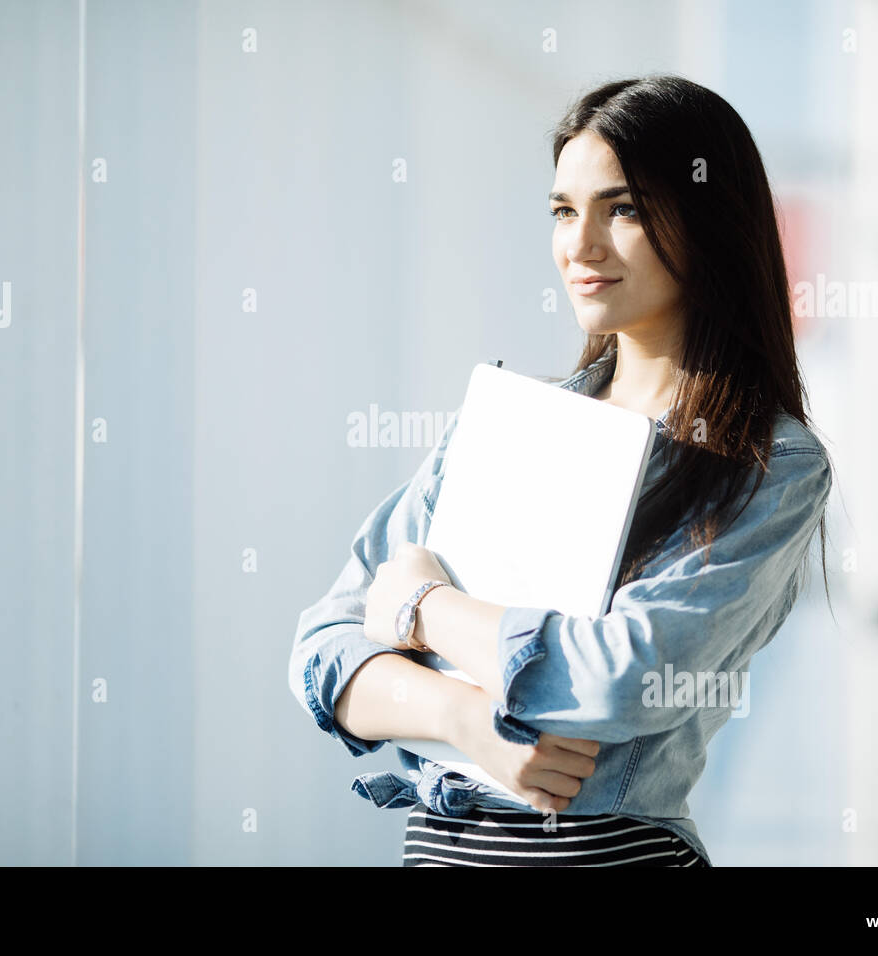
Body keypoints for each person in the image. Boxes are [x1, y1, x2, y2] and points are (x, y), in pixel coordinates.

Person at [288, 74, 835, 867]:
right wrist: (461, 719)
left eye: (623, 210)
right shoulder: (505, 424)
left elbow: (620, 678)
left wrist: (419, 604)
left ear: (709, 221)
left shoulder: (768, 461)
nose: (580, 246)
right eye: (563, 211)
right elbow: (321, 647)